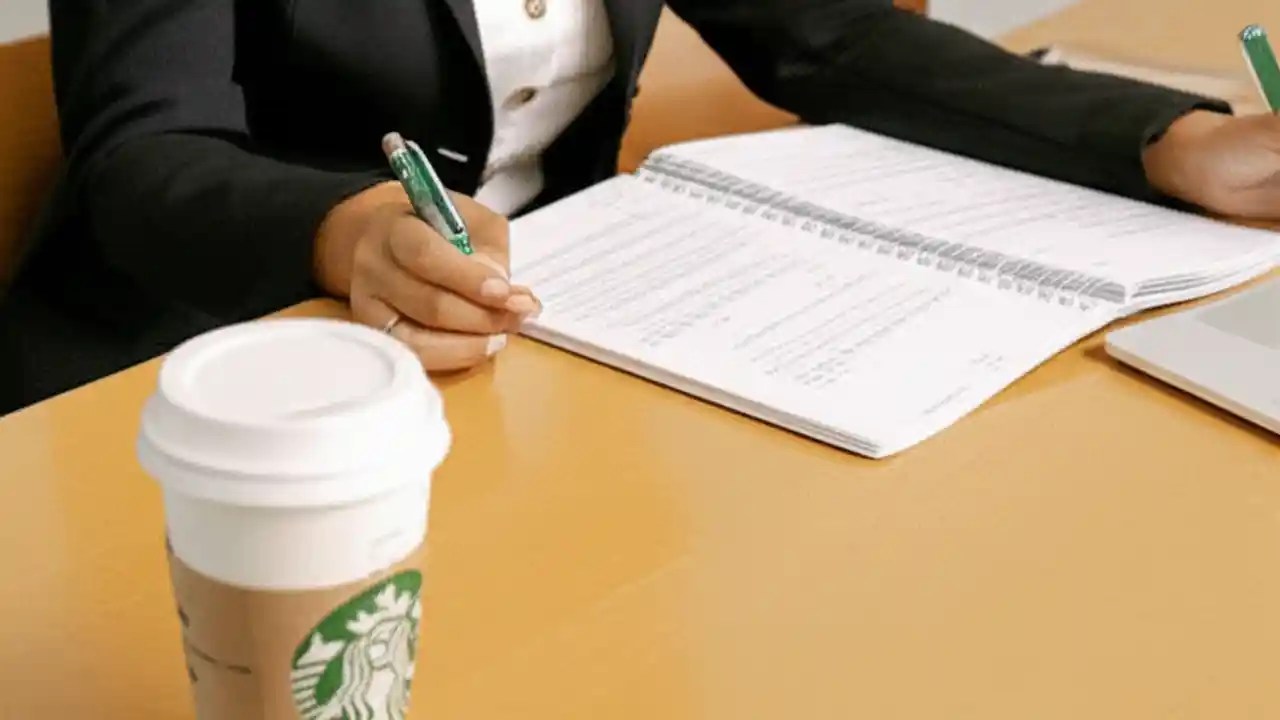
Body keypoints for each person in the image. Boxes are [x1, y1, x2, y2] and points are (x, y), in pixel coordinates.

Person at [2, 0, 1279, 415]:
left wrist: (1160, 141)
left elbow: (824, 35)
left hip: (537, 346)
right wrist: (341, 231)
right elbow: (141, 155)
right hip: (188, 355)